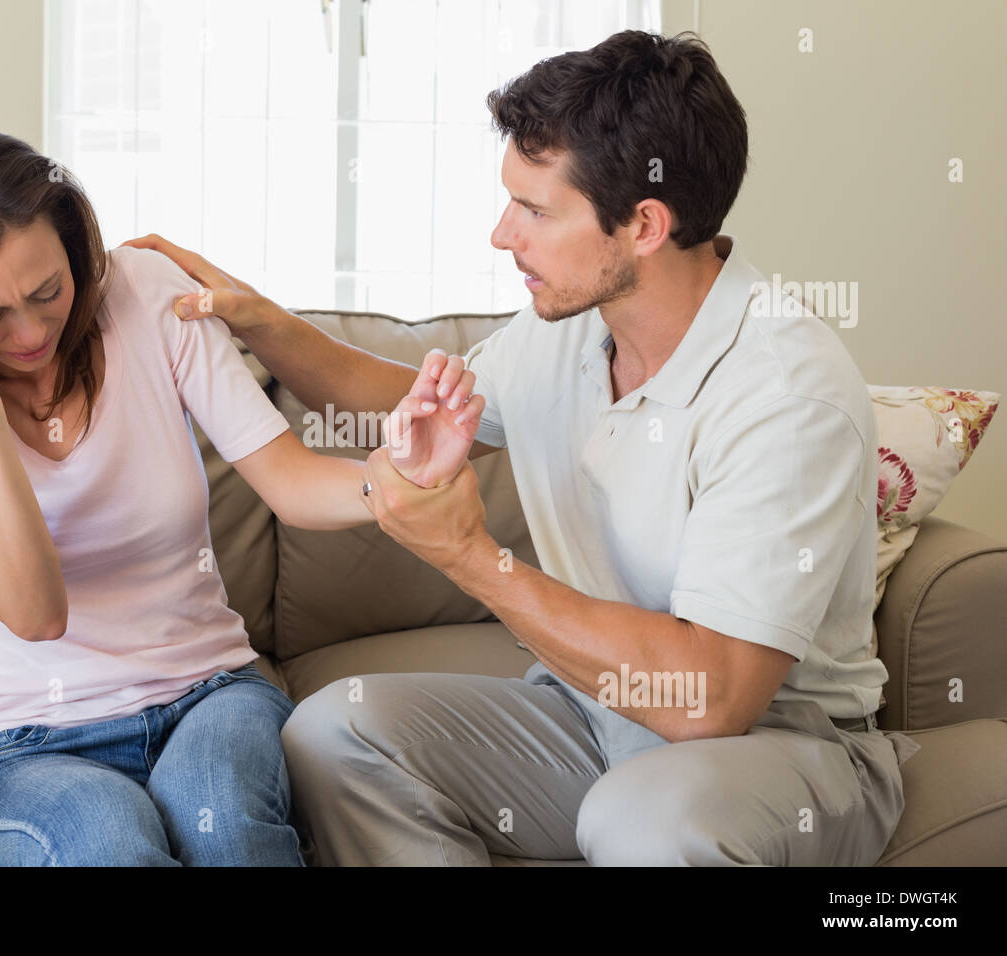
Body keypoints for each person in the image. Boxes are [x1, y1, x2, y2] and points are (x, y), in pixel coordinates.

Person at [124, 29, 922, 866]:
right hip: (590, 714)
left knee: (645, 820)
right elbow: (401, 406)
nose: (502, 235)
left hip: (775, 751)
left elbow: (708, 699)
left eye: (536, 210)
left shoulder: (785, 394)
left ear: (645, 224)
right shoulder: (572, 331)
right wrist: (261, 320)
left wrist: (471, 558)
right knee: (332, 731)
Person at [0, 125, 483, 866]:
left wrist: (399, 476)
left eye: (49, 291)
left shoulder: (144, 291)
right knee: (111, 848)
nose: (32, 331)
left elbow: (290, 481)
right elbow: (36, 615)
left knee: (224, 825)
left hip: (210, 694)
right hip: (32, 743)